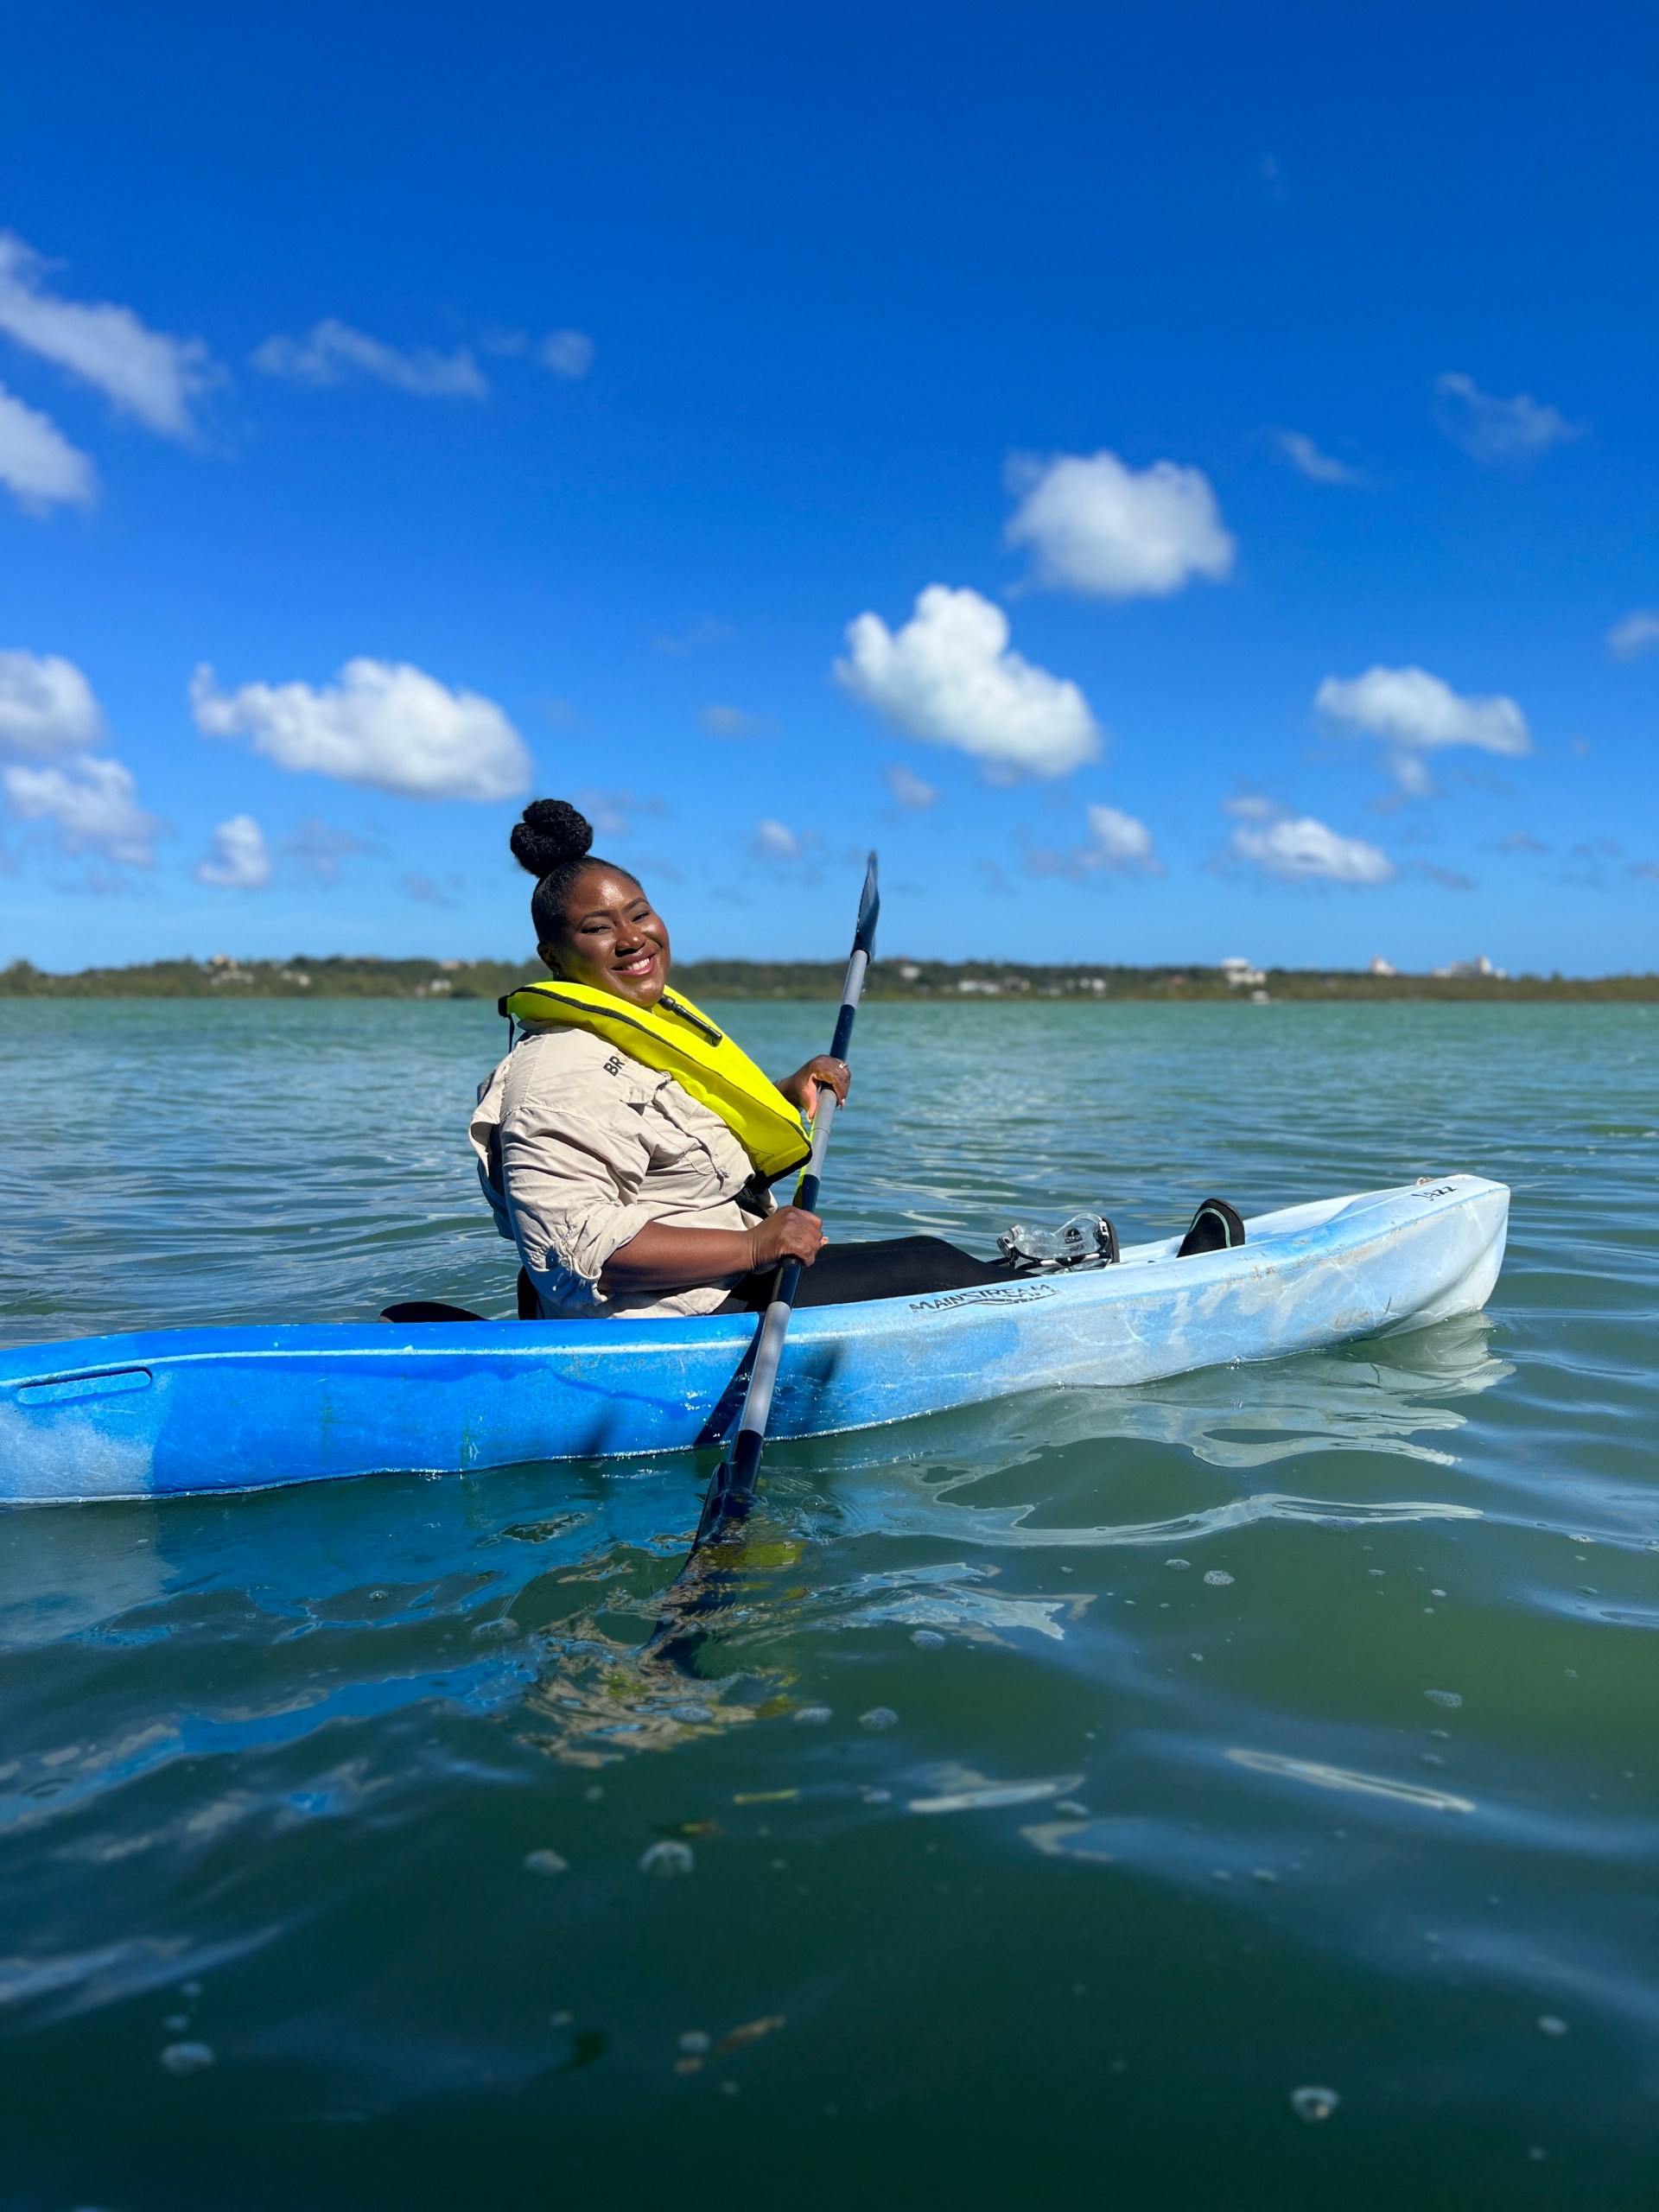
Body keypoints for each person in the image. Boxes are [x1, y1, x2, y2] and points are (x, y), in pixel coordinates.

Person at [468, 798, 1032, 1320]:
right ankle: (1038, 1300)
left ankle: (1026, 1277)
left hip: (720, 1280)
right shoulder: (557, 1075)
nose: (630, 938)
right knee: (928, 1271)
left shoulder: (631, 1040)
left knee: (924, 1251)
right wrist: (755, 1244)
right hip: (667, 1320)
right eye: (597, 928)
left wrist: (786, 1090)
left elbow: (669, 1145)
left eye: (639, 915)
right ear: (553, 955)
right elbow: (568, 1250)